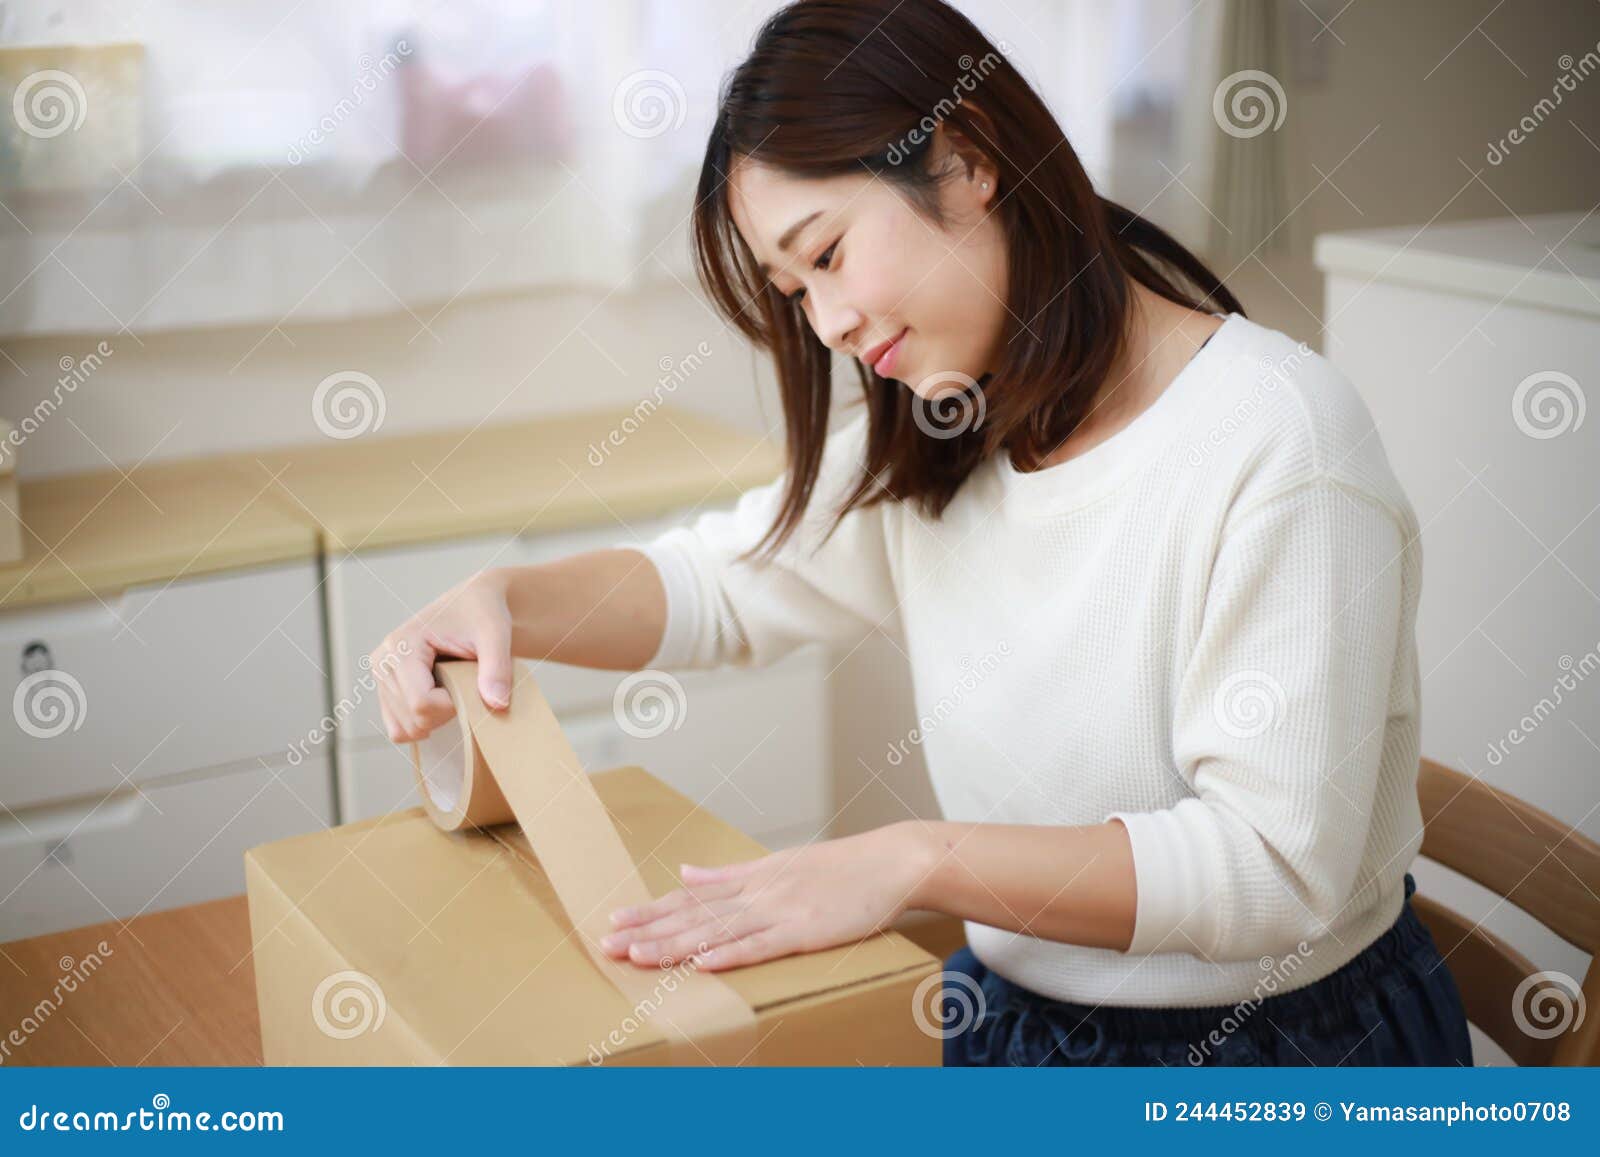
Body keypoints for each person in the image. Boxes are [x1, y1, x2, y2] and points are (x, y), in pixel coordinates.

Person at [373, 0, 1473, 1066]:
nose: (829, 321)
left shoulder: (1276, 444)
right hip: (1018, 1015)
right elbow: (717, 583)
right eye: (793, 287)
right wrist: (508, 602)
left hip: (1285, 1054)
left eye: (831, 251)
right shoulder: (948, 419)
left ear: (968, 154)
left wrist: (913, 862)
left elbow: (1277, 869)